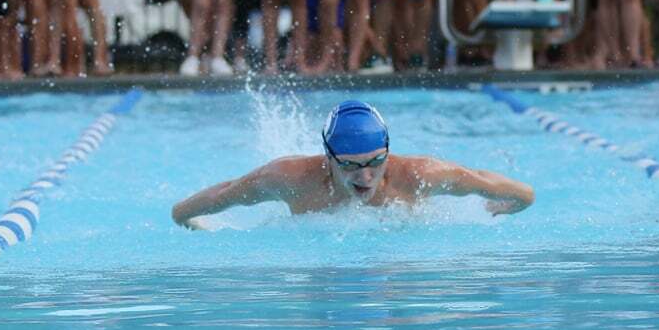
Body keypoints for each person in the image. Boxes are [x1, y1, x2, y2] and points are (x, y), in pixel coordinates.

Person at [171, 100, 533, 226]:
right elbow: (229, 193)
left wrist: (509, 205)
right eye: (350, 166)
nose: (366, 175)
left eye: (376, 161)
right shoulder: (292, 179)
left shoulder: (418, 175)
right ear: (328, 157)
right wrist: (185, 217)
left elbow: (510, 188)